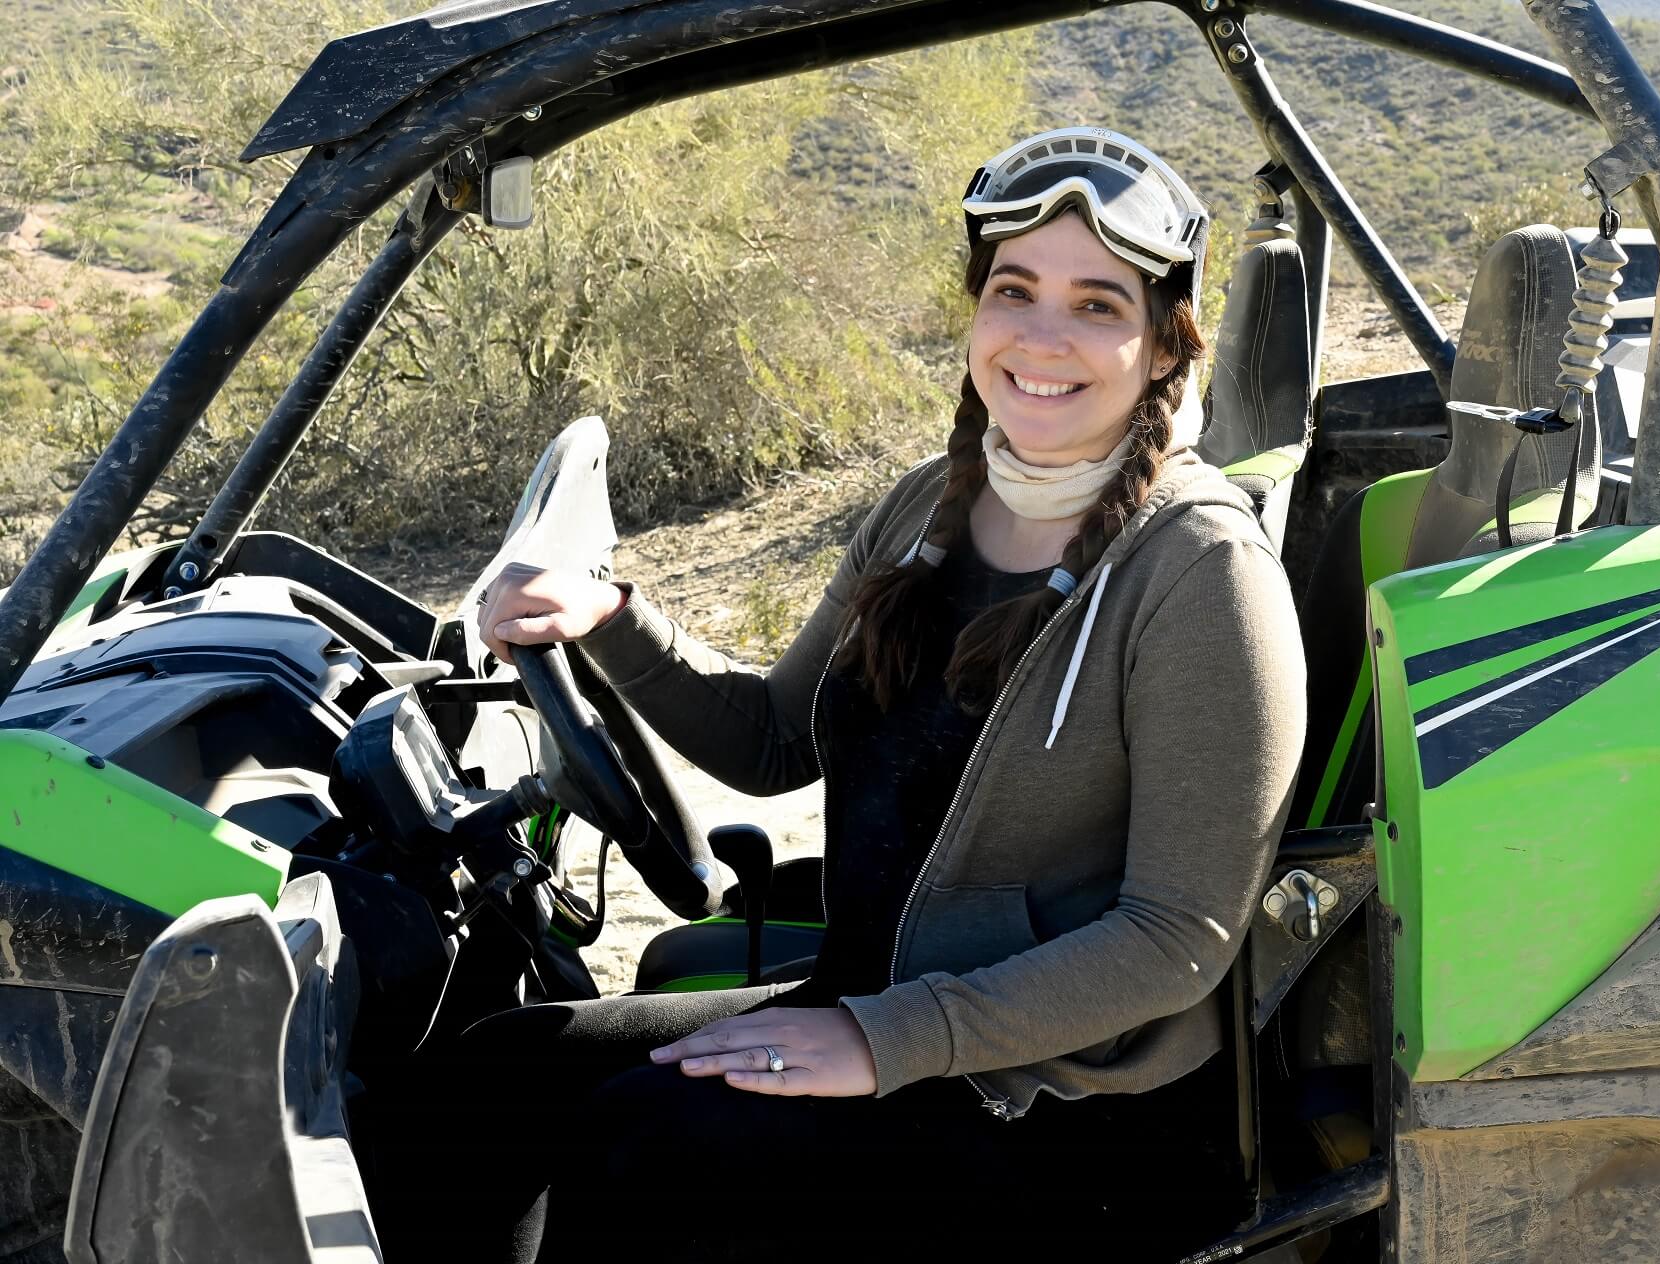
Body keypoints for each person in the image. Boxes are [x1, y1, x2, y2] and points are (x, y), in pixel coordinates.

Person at [440, 126, 1304, 1262]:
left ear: (1161, 348)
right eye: (1014, 290)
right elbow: (772, 739)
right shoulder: (924, 511)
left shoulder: (1198, 570)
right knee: (485, 1079)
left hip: (1059, 1099)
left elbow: (1174, 939)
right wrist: (613, 620)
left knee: (639, 1144)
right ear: (975, 316)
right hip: (874, 1001)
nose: (1043, 336)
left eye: (1098, 303)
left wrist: (886, 1038)